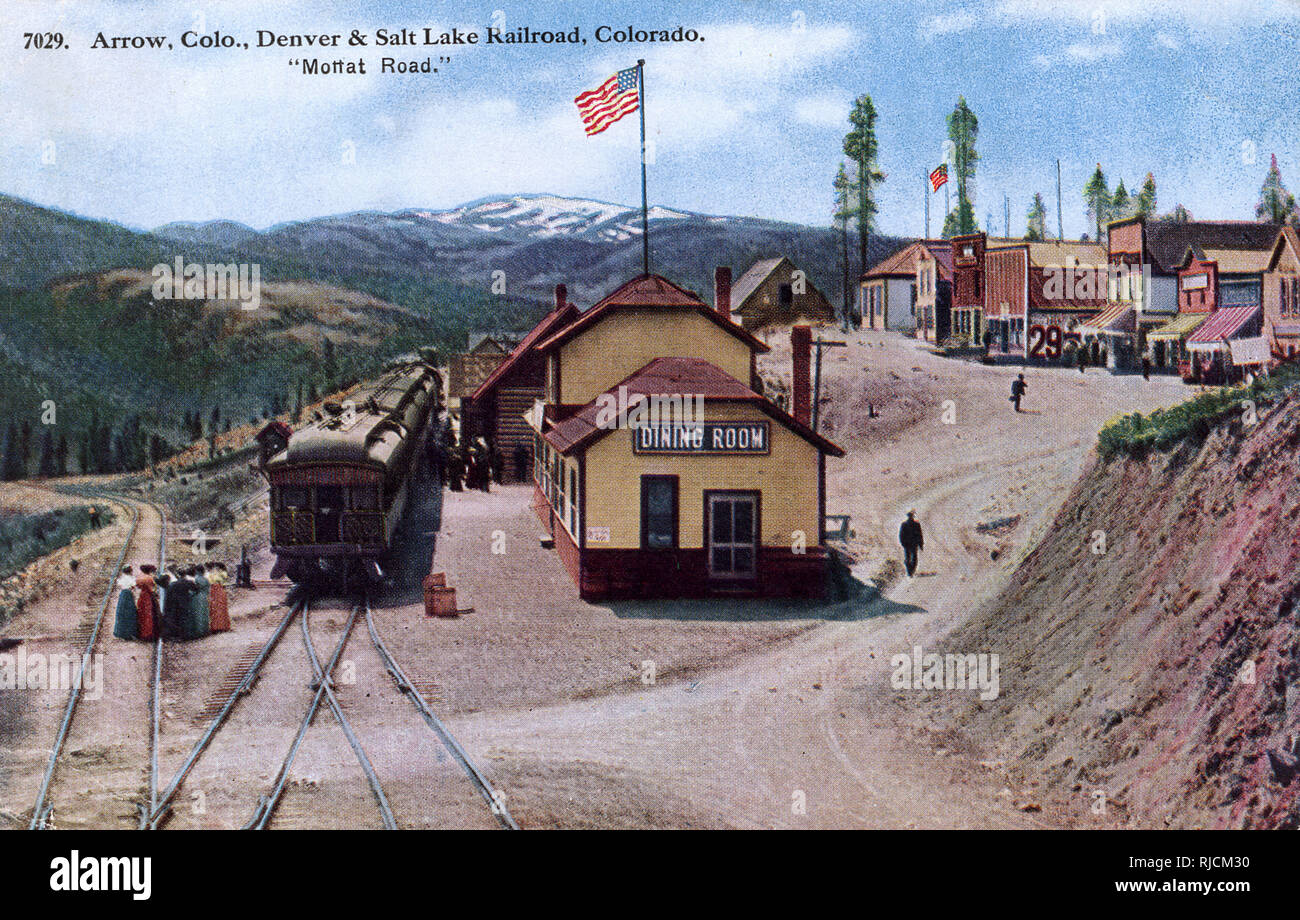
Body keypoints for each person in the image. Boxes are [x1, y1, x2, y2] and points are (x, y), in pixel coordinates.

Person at [111, 566, 139, 640]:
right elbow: (134, 586)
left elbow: (119, 586)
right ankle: (131, 633)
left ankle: (122, 633)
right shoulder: (131, 579)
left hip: (123, 595)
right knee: (130, 613)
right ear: (130, 571)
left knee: (122, 613)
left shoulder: (121, 579)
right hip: (129, 595)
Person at [135, 564, 160, 641]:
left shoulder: (139, 577)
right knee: (150, 614)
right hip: (148, 597)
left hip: (142, 596)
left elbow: (138, 586)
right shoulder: (149, 578)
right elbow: (151, 589)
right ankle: (149, 634)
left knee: (142, 614)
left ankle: (141, 633)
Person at [186, 565, 211, 640]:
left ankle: (198, 631)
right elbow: (208, 589)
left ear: (197, 571)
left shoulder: (196, 579)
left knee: (197, 613)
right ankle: (205, 630)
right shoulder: (206, 579)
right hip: (204, 596)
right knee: (204, 613)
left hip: (197, 597)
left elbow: (194, 589)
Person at [207, 562, 231, 633]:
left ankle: (219, 626)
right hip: (216, 591)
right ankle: (218, 626)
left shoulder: (222, 574)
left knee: (218, 609)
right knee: (216, 609)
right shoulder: (218, 573)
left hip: (217, 591)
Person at [899, 511, 924, 578]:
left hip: (910, 544)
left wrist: (920, 543)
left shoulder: (905, 524)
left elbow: (919, 535)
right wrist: (920, 544)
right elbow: (919, 535)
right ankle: (910, 570)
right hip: (911, 544)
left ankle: (910, 570)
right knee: (912, 558)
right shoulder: (915, 524)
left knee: (910, 558)